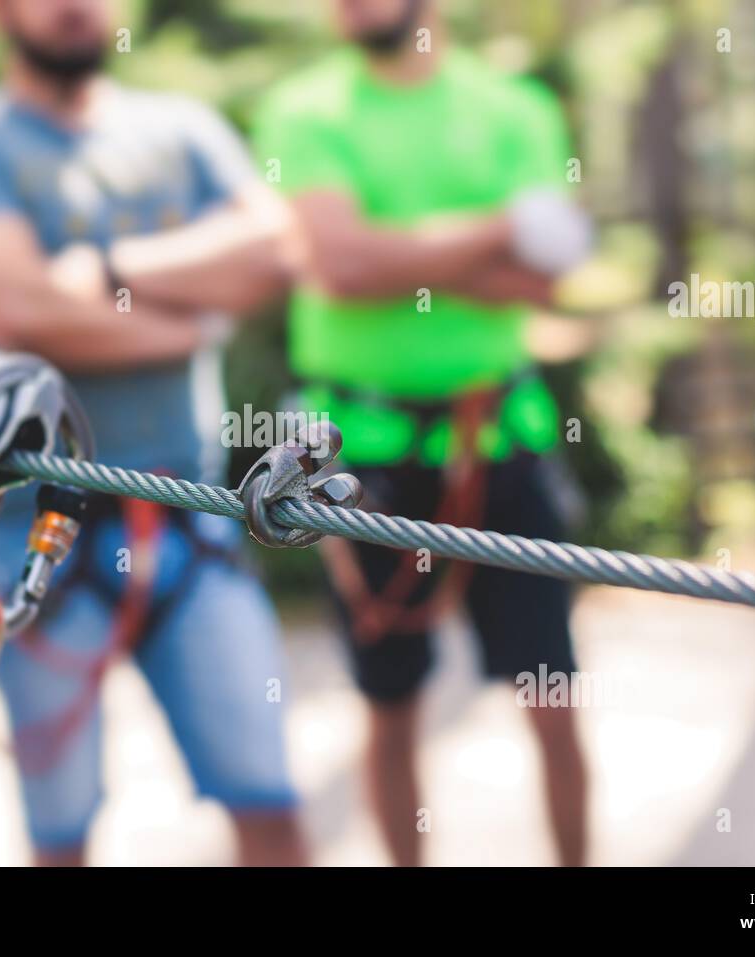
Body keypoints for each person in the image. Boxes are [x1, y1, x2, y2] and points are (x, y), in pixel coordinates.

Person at [0, 0, 305, 866]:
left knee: (271, 805)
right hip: (31, 541)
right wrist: (192, 321)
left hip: (196, 526)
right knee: (62, 836)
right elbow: (9, 306)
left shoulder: (182, 128)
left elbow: (276, 251)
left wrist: (112, 273)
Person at [253, 0, 591, 866]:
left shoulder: (516, 107)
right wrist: (498, 229)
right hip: (361, 457)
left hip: (502, 443)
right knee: (390, 706)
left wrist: (392, 251)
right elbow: (340, 262)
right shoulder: (303, 109)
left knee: (552, 699)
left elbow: (546, 281)